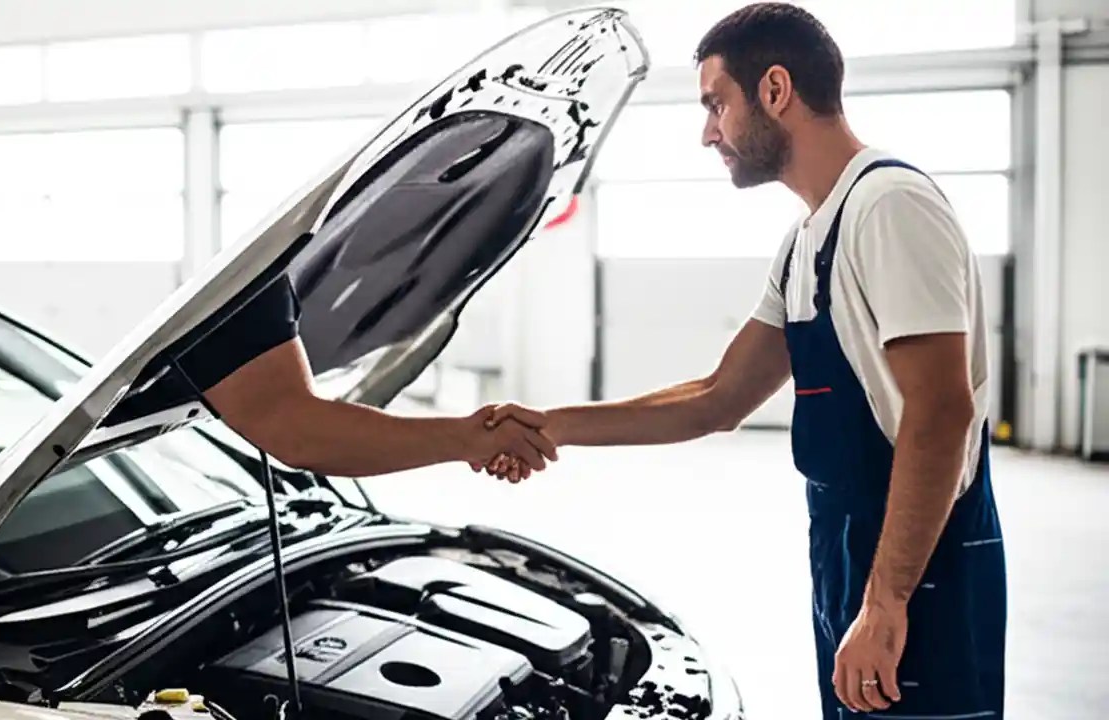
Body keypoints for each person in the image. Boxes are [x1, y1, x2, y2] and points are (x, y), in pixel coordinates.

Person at [476, 3, 1007, 718]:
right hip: (854, 557)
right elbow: (717, 398)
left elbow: (941, 412)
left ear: (775, 90)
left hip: (920, 568)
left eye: (716, 104)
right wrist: (548, 425)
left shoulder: (889, 206)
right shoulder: (806, 240)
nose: (708, 133)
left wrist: (886, 604)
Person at [168, 272, 558, 478]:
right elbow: (298, 433)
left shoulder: (257, 284)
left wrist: (486, 437)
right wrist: (474, 438)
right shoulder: (244, 282)